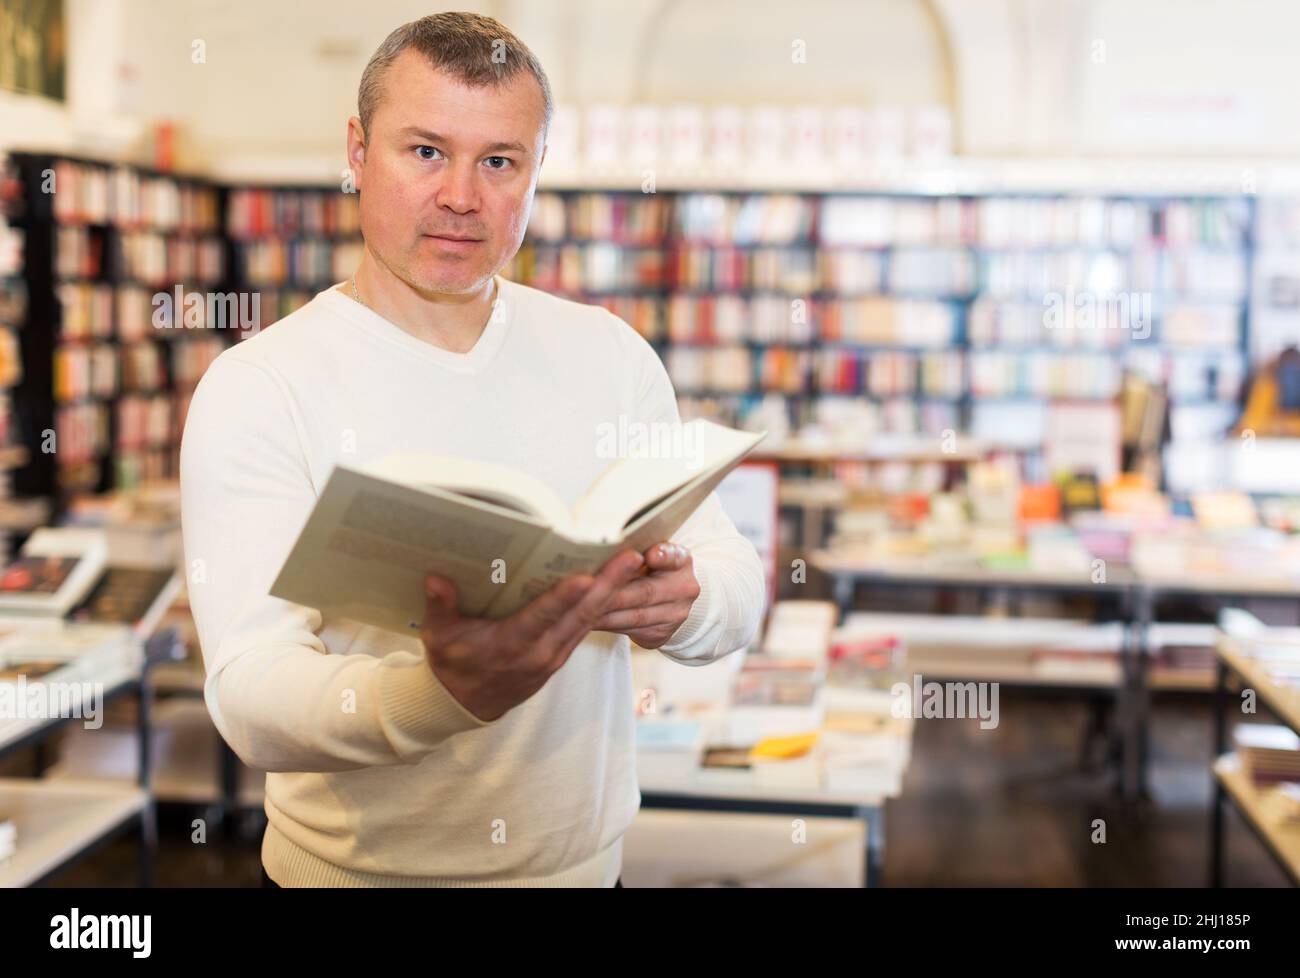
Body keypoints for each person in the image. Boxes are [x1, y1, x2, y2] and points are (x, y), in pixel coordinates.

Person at [180, 12, 765, 887]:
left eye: (500, 161)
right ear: (356, 152)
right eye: (424, 151)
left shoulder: (607, 353)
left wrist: (685, 606)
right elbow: (250, 695)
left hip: (585, 870)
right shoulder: (260, 385)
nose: (462, 195)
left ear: (534, 173)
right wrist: (444, 693)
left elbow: (739, 585)